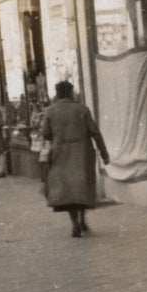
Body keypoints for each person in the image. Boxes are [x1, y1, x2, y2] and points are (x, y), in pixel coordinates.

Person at [42, 80, 109, 238]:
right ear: (71, 93)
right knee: (81, 186)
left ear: (57, 94)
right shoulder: (82, 109)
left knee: (68, 189)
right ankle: (83, 219)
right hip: (82, 153)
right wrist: (104, 153)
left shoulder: (50, 111)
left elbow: (45, 133)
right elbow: (95, 132)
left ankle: (74, 223)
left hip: (60, 154)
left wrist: (57, 137)